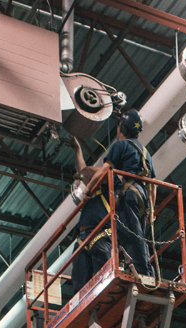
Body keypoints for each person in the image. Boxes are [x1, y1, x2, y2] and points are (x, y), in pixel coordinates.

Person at [64, 110, 156, 302]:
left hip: (102, 235)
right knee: (82, 278)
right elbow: (152, 183)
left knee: (132, 238)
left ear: (120, 127)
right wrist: (152, 210)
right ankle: (144, 272)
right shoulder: (144, 154)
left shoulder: (114, 175)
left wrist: (88, 189)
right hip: (86, 236)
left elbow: (94, 171)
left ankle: (144, 273)